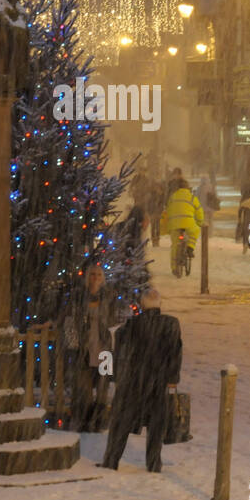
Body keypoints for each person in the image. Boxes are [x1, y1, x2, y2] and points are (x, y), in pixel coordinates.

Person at [100, 288, 182, 472]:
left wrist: (117, 376)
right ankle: (153, 463)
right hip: (157, 382)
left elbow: (120, 350)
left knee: (121, 423)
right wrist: (172, 378)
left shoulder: (130, 326)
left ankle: (111, 460)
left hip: (133, 383)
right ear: (159, 304)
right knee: (156, 425)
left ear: (142, 305)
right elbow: (175, 353)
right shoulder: (171, 324)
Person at [71, 265, 113, 432]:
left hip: (105, 347)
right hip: (85, 347)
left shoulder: (109, 296)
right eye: (92, 274)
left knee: (103, 386)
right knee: (85, 387)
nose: (95, 277)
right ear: (87, 277)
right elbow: (72, 317)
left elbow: (113, 318)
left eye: (98, 275)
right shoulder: (80, 296)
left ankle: (99, 421)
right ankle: (85, 421)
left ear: (103, 278)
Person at [160, 175, 204, 277]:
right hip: (188, 224)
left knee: (175, 246)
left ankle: (174, 268)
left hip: (175, 224)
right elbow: (199, 211)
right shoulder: (192, 197)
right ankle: (190, 247)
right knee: (195, 231)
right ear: (187, 188)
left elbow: (168, 210)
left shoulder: (173, 196)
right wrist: (200, 222)